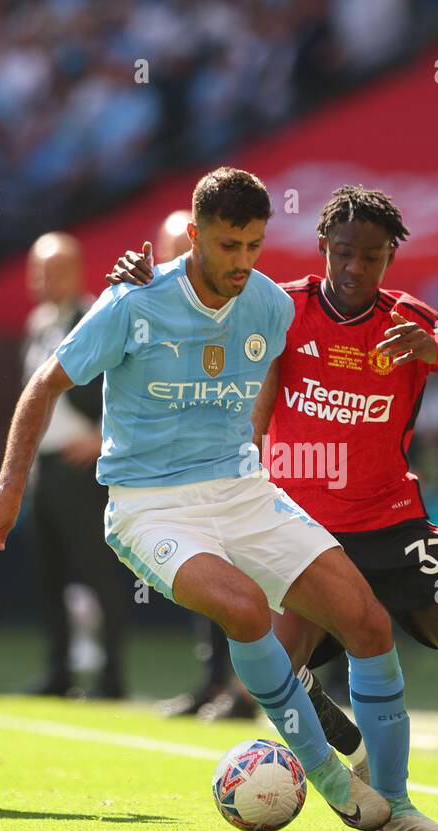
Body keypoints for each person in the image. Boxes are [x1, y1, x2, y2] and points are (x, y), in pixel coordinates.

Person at [108, 185, 438, 831]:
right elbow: (200, 293)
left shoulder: (408, 319)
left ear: (389, 259)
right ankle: (365, 775)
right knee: (278, 679)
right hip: (302, 534)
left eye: (373, 257)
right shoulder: (280, 307)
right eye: (346, 254)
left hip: (395, 530)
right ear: (324, 248)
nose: (356, 269)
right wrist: (142, 281)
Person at [0, 167, 438, 831]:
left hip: (241, 489)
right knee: (246, 609)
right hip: (149, 504)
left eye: (254, 245)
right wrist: (8, 484)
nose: (242, 262)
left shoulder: (269, 305)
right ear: (193, 236)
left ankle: (396, 805)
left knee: (367, 622)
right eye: (228, 245)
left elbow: (321, 352)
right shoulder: (131, 304)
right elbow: (44, 386)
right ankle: (332, 776)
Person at [148, 210, 253, 721]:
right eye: (168, 255)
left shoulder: (242, 305)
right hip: (181, 471)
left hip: (237, 467)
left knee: (251, 579)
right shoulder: (148, 309)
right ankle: (215, 682)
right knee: (206, 581)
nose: (176, 266)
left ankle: (251, 688)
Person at [22, 231, 128, 699]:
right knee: (49, 573)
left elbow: (129, 382)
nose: (49, 279)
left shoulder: (99, 315)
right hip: (43, 466)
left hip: (83, 466)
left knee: (99, 572)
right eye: (42, 269)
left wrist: (104, 435)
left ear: (79, 270)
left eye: (59, 269)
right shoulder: (38, 323)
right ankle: (59, 671)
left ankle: (112, 677)